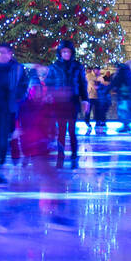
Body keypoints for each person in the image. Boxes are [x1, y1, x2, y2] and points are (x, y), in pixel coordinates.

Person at [46, 40, 89, 168]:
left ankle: (74, 153)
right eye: (64, 52)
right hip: (59, 102)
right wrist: (49, 96)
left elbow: (82, 84)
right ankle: (61, 153)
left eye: (68, 51)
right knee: (61, 130)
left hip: (73, 101)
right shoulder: (54, 67)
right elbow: (49, 84)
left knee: (71, 129)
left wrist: (85, 99)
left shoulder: (77, 66)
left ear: (72, 52)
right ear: (60, 53)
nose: (66, 54)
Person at [0, 43, 27, 184]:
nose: (0, 55)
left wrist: (16, 97)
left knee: (5, 136)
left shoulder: (16, 69)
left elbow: (23, 85)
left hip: (8, 106)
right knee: (3, 136)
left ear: (10, 54)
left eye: (3, 52)